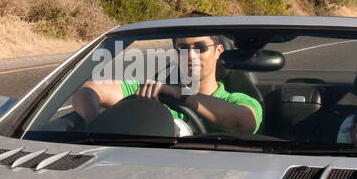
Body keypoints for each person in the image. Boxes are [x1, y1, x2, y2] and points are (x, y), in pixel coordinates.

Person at [71, 32, 263, 135]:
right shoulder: (153, 92)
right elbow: (89, 90)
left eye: (201, 48)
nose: (190, 55)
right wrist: (94, 122)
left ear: (218, 50)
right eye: (183, 48)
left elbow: (244, 121)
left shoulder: (237, 100)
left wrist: (181, 96)